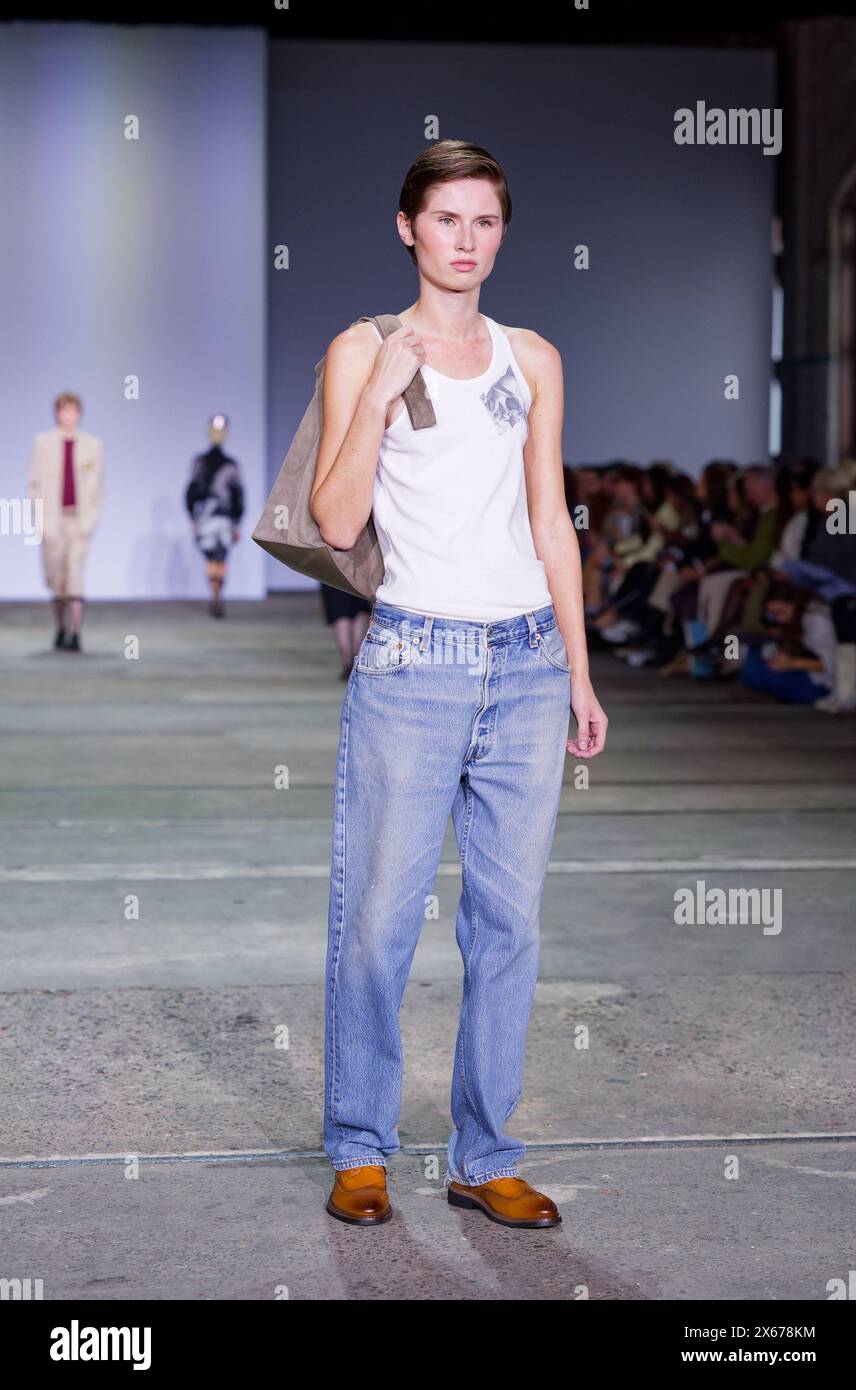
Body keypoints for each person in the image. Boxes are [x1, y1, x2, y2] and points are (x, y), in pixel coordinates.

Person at [310, 139, 608, 1230]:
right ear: (407, 227)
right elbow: (338, 521)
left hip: (526, 663)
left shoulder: (532, 357)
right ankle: (358, 1146)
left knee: (507, 926)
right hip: (410, 661)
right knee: (378, 920)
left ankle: (483, 1155)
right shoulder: (362, 349)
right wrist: (382, 393)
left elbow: (549, 522)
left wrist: (578, 669)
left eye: (485, 221)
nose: (467, 240)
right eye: (447, 220)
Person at [26, 391, 102, 652]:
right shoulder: (43, 442)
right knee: (56, 580)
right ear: (57, 413)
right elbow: (34, 484)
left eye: (72, 411)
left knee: (75, 576)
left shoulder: (92, 445)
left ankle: (76, 632)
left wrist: (90, 520)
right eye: (63, 410)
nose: (68, 416)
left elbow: (97, 487)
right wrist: (39, 520)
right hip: (52, 520)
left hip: (78, 521)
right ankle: (60, 627)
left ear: (79, 414)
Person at [184, 414, 244, 617]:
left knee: (214, 558)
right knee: (218, 558)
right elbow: (238, 497)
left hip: (212, 519)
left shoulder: (207, 464)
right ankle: (216, 596)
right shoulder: (223, 465)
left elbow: (192, 492)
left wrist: (193, 517)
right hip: (216, 519)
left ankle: (216, 596)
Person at [319, 581, 372, 679]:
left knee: (341, 615)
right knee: (359, 611)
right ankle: (358, 661)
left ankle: (347, 662)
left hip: (332, 574)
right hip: (356, 576)